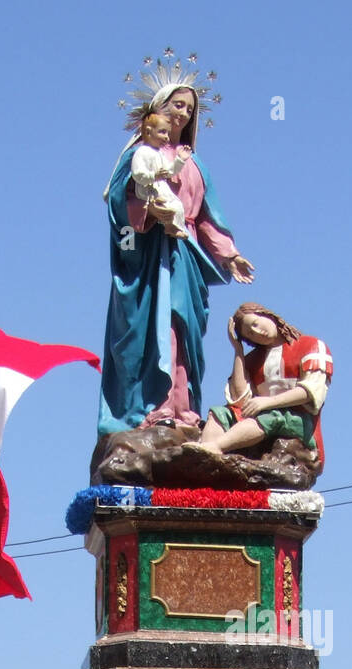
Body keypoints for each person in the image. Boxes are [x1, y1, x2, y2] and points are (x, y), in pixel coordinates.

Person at [98, 83, 254, 436]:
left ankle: (184, 409)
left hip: (186, 256)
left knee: (185, 332)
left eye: (188, 109)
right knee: (158, 327)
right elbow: (119, 205)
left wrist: (230, 255)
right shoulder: (139, 154)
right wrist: (149, 213)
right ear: (158, 109)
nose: (182, 113)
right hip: (151, 257)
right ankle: (156, 408)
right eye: (177, 105)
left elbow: (205, 218)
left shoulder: (196, 165)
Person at [190, 303, 333, 471]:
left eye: (255, 324)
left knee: (270, 417)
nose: (257, 332)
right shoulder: (254, 360)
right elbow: (240, 400)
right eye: (250, 334)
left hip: (300, 420)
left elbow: (311, 390)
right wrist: (238, 351)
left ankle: (216, 447)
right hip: (261, 416)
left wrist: (268, 402)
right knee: (219, 413)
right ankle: (204, 461)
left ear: (267, 315)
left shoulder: (311, 345)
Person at [130, 111, 188, 239]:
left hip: (160, 186)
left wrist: (180, 160)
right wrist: (154, 176)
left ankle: (172, 227)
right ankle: (164, 217)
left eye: (168, 133)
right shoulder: (142, 151)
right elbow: (138, 174)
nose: (167, 137)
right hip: (148, 187)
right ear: (149, 131)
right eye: (162, 132)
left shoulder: (159, 154)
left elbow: (170, 171)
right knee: (164, 204)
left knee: (176, 205)